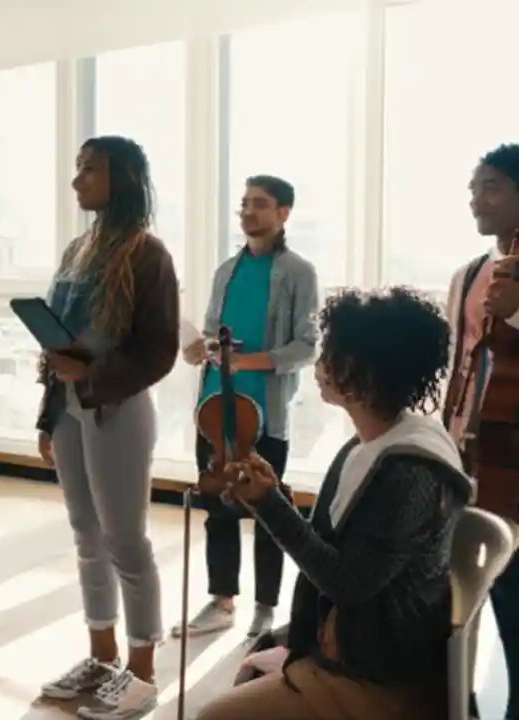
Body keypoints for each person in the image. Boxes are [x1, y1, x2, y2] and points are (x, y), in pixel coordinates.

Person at [198, 287, 470, 720]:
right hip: (353, 643)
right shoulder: (373, 443)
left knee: (213, 716)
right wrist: (273, 497)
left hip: (382, 671)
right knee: (252, 666)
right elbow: (340, 545)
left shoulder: (409, 471)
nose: (320, 366)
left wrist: (270, 505)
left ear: (369, 372)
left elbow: (347, 582)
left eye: (333, 354)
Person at [34, 136, 180, 720]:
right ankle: (101, 656)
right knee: (84, 536)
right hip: (69, 407)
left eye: (89, 170)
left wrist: (89, 373)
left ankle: (142, 672)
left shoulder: (149, 255)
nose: (77, 181)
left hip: (116, 408)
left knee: (124, 539)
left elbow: (159, 351)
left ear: (121, 176)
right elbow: (58, 341)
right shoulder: (76, 250)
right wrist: (50, 410)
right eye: (76, 169)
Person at [174, 175, 319, 640]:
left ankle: (266, 607)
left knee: (268, 510)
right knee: (218, 504)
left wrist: (248, 360)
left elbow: (307, 346)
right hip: (215, 407)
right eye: (244, 204)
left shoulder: (298, 272)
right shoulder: (225, 271)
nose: (248, 211)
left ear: (283, 213)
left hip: (265, 412)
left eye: (260, 204)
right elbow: (214, 334)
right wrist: (198, 350)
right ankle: (222, 601)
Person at [442, 142, 519, 719]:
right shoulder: (468, 273)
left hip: (514, 465)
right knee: (457, 604)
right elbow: (458, 363)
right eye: (473, 186)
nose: (475, 197)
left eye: (490, 185)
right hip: (465, 457)